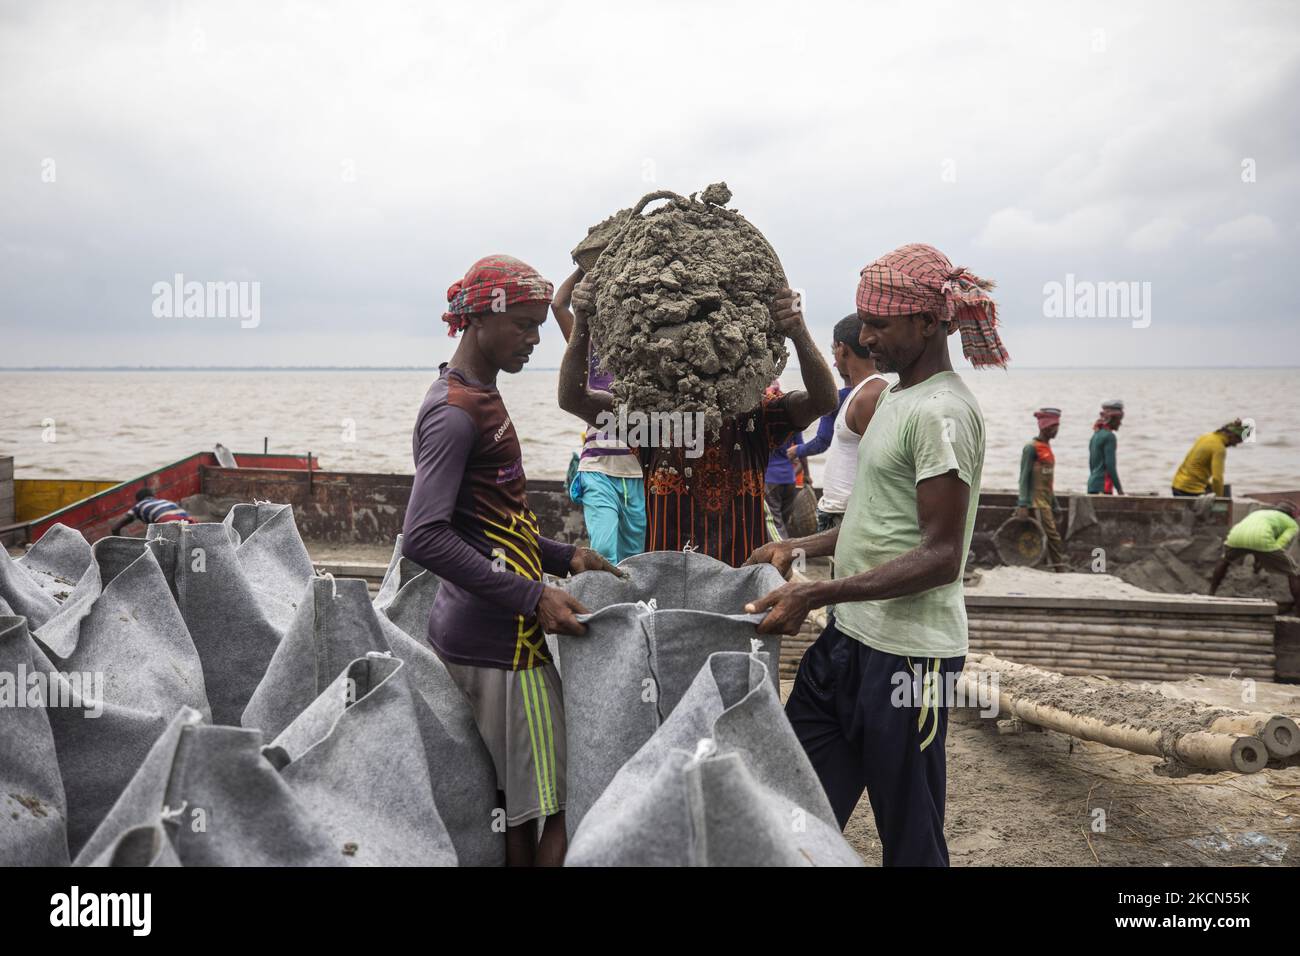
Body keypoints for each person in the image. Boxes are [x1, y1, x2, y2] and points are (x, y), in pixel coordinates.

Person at [744, 242, 1005, 866]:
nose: (866, 335)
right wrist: (796, 546)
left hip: (906, 662)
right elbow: (871, 525)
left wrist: (816, 590)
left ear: (929, 321)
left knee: (909, 838)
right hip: (845, 645)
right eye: (863, 321)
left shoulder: (942, 411)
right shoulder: (889, 399)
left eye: (879, 324)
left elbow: (941, 555)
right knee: (794, 808)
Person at [401, 254, 619, 867]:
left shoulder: (477, 396)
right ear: (479, 321)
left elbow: (488, 522)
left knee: (512, 802)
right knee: (551, 809)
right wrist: (532, 595)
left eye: (538, 327)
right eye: (523, 325)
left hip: (481, 627)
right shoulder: (454, 413)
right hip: (504, 647)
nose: (534, 339)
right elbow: (424, 536)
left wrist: (562, 555)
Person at [558, 280, 838, 567]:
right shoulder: (653, 424)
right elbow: (573, 399)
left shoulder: (756, 419)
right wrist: (582, 322)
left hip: (739, 579)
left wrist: (798, 332)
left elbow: (824, 400)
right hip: (667, 583)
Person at [551, 267, 646, 565]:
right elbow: (558, 305)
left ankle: (631, 610)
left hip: (640, 471)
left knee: (636, 558)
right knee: (604, 550)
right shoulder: (589, 350)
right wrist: (584, 266)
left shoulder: (650, 352)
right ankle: (603, 606)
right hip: (599, 468)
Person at [810, 315, 890, 533]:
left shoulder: (870, 395)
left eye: (833, 349)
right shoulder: (862, 391)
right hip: (841, 512)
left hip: (850, 517)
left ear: (842, 349)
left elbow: (882, 467)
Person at [1209, 501, 1299, 605]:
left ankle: (1211, 592)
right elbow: (1281, 543)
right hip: (1262, 539)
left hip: (1236, 536)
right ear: (1291, 515)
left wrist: (1259, 560)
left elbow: (1253, 532)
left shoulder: (1258, 513)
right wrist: (1269, 559)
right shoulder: (1292, 524)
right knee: (1294, 572)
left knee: (1224, 560)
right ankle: (1298, 609)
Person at [1017, 408, 1066, 572]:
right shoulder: (1031, 448)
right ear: (1046, 426)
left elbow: (1048, 482)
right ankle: (1059, 568)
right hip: (1036, 502)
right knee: (1052, 536)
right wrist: (1023, 504)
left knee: (1052, 535)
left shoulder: (1046, 447)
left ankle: (1054, 566)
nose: (1057, 430)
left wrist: (1055, 503)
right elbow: (1024, 478)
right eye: (1055, 427)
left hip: (1046, 501)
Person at [763, 381, 805, 540]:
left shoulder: (764, 417)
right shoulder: (789, 419)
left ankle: (785, 560)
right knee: (783, 523)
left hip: (770, 480)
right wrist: (806, 475)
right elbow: (801, 449)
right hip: (789, 479)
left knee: (775, 523)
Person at [1172, 420, 1247, 497]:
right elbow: (1217, 478)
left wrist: (1209, 486)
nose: (1235, 445)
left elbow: (1193, 465)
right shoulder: (1219, 449)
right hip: (1190, 490)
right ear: (1232, 436)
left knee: (1211, 488)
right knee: (1220, 498)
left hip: (1177, 485)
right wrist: (1220, 499)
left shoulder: (1206, 437)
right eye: (1237, 441)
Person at [110, 488, 193, 533]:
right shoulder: (166, 501)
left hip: (166, 521)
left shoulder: (139, 505)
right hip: (189, 521)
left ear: (139, 500)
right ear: (153, 496)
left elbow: (115, 527)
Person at [1087, 399, 1124, 494]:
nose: (1120, 423)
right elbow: (1110, 466)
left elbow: (1091, 464)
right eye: (1119, 420)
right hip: (1103, 486)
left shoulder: (1095, 435)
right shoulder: (1109, 437)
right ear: (1112, 419)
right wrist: (1119, 490)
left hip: (1092, 485)